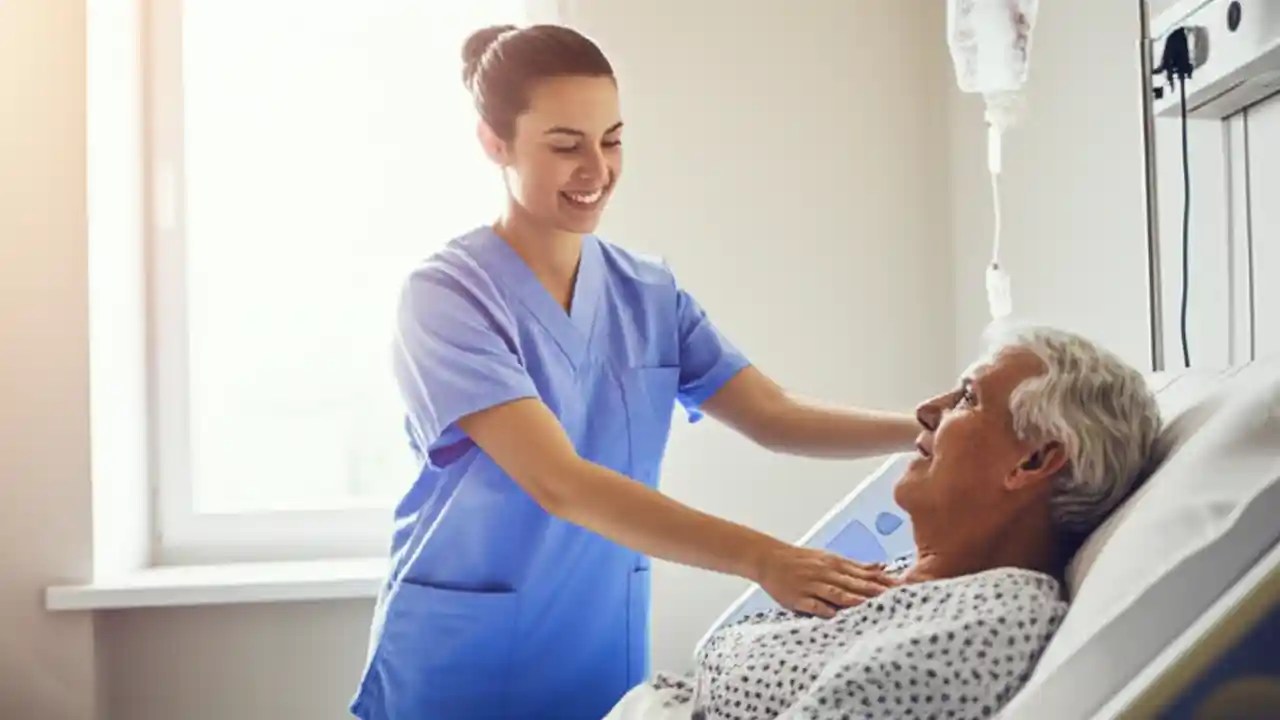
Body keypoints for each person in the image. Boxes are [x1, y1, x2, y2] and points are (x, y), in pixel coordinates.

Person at [348, 23, 921, 720]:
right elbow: (559, 482)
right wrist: (765, 559)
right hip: (464, 661)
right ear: (493, 143)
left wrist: (924, 426)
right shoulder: (446, 297)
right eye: (566, 146)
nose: (597, 170)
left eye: (611, 140)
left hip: (599, 653)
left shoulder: (647, 292)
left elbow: (774, 415)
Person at [614, 325, 1163, 719]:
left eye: (967, 398)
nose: (926, 410)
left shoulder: (985, 628)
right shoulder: (912, 579)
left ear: (1034, 462)